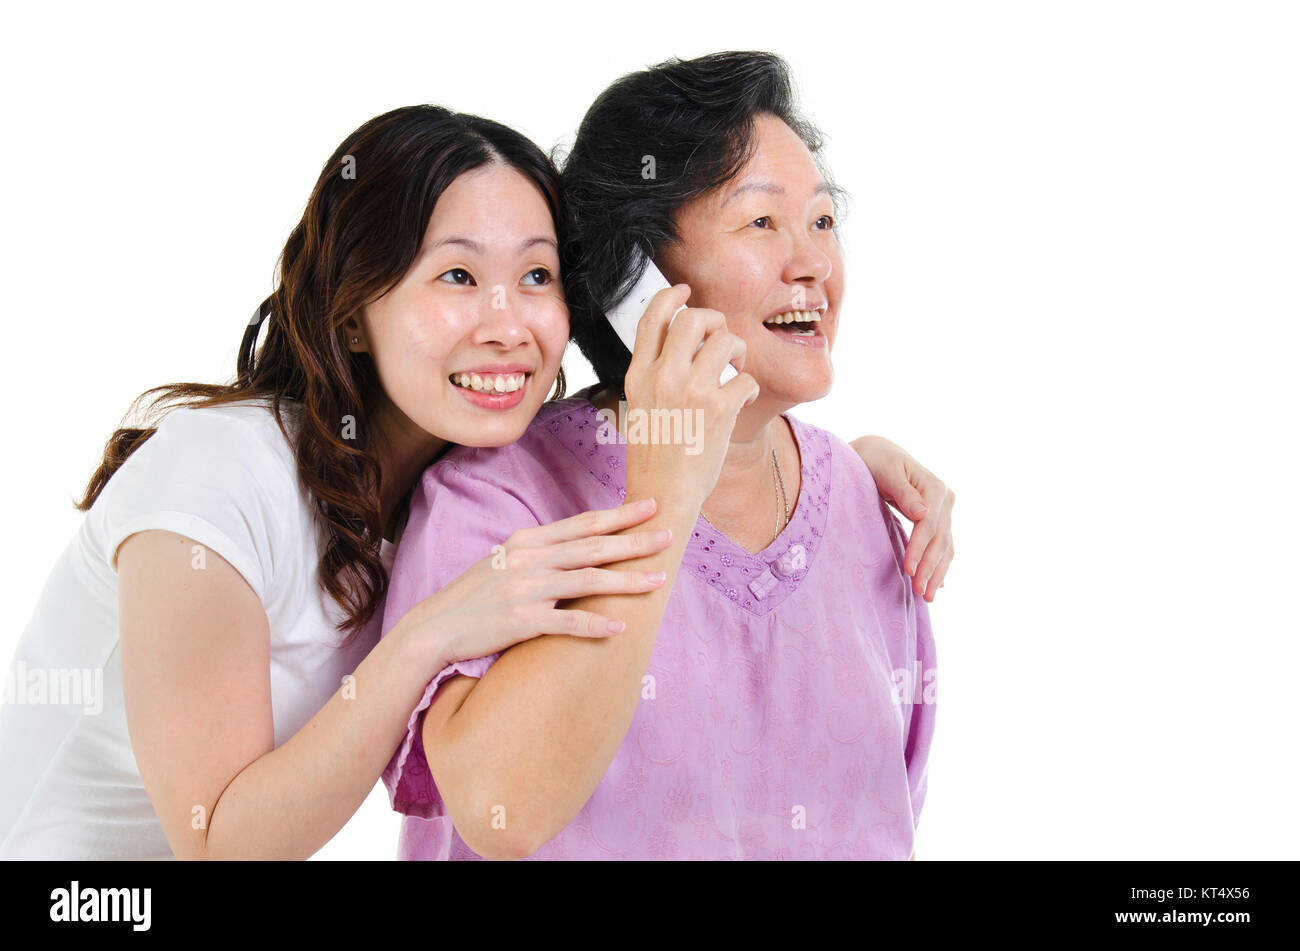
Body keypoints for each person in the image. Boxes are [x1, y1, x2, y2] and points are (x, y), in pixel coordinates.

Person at [0, 105, 680, 859]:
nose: (508, 323)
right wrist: (431, 632)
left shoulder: (463, 495)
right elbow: (220, 844)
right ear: (352, 314)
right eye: (458, 273)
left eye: (536, 275)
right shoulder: (217, 474)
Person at [380, 51, 945, 860]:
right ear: (636, 280)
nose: (813, 263)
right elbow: (497, 805)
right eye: (761, 222)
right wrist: (665, 495)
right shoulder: (493, 499)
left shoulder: (862, 495)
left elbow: (888, 816)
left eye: (822, 221)